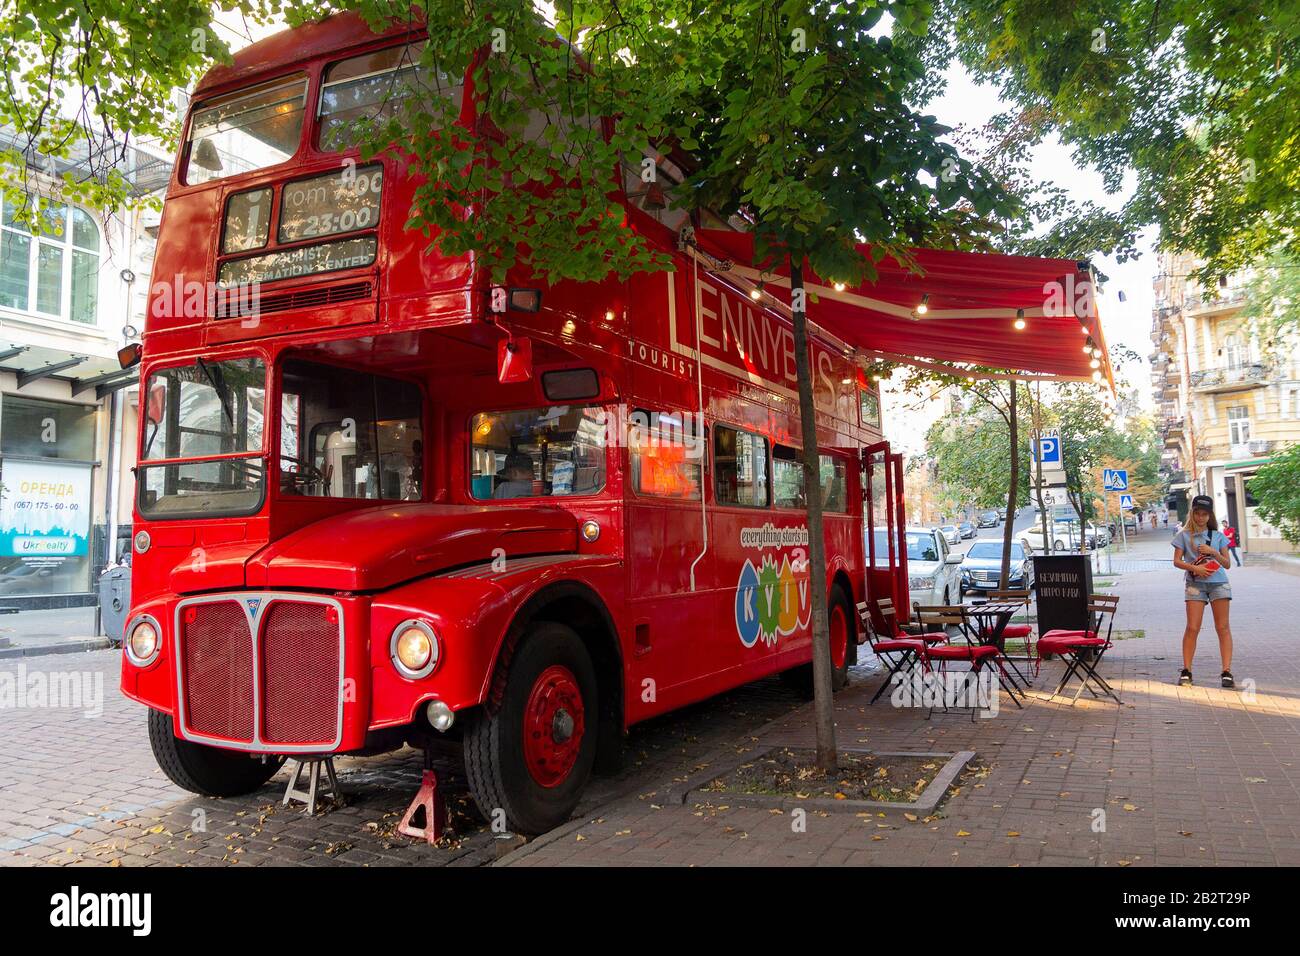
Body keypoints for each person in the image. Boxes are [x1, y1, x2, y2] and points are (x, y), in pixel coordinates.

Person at [1171, 495, 1235, 688]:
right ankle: (1186, 670)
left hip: (1219, 584)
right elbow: (1176, 561)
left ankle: (1226, 671)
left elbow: (1227, 564)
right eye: (1197, 513)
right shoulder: (1183, 535)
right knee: (1192, 627)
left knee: (1222, 628)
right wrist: (1195, 568)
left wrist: (1213, 552)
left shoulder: (1218, 536)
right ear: (1192, 513)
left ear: (1209, 515)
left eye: (1204, 514)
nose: (1200, 518)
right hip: (1195, 584)